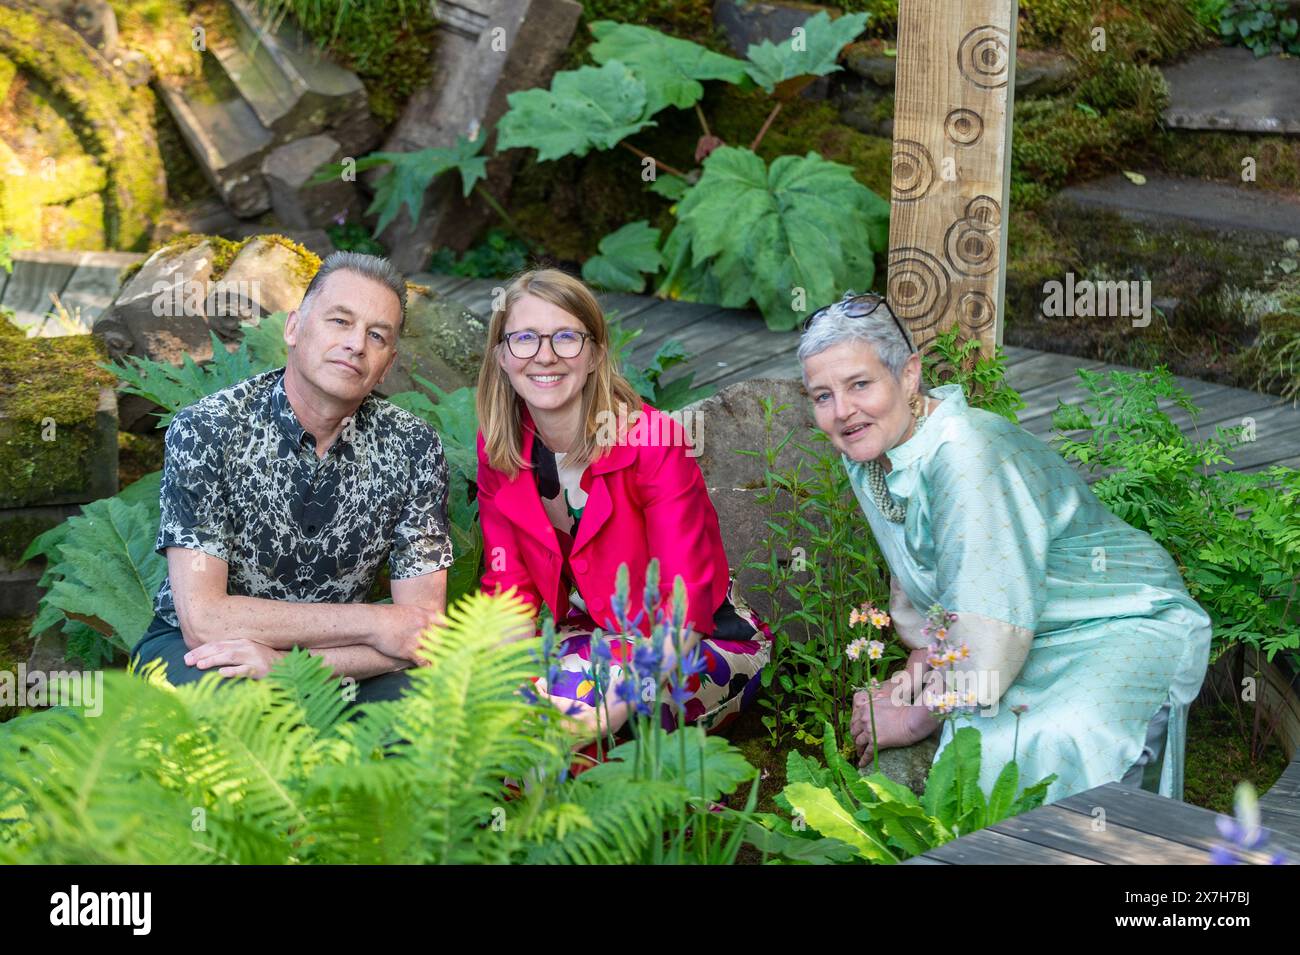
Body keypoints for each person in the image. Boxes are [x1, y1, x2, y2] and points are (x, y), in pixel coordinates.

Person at [799, 290, 1212, 803]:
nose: (842, 411)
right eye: (822, 396)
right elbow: (922, 559)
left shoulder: (966, 457)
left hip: (1119, 617)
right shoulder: (869, 448)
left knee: (1060, 735)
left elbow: (986, 645)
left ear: (908, 375)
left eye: (860, 384)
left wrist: (911, 716)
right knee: (983, 741)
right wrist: (922, 663)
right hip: (1023, 626)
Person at [130, 252, 453, 704]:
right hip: (199, 651)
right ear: (294, 327)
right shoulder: (209, 429)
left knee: (434, 709)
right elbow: (204, 620)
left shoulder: (415, 448)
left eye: (376, 335)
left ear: (387, 362)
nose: (356, 344)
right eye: (340, 321)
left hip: (344, 661)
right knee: (236, 706)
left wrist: (294, 669)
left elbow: (421, 631)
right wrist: (377, 623)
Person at [475, 268, 771, 742]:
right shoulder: (501, 447)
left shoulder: (651, 442)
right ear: (502, 356)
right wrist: (496, 678)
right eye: (525, 338)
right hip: (587, 633)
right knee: (493, 705)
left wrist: (612, 707)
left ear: (594, 354)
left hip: (698, 643)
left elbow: (684, 609)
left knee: (574, 715)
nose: (545, 355)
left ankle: (631, 805)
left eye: (567, 337)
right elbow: (511, 594)